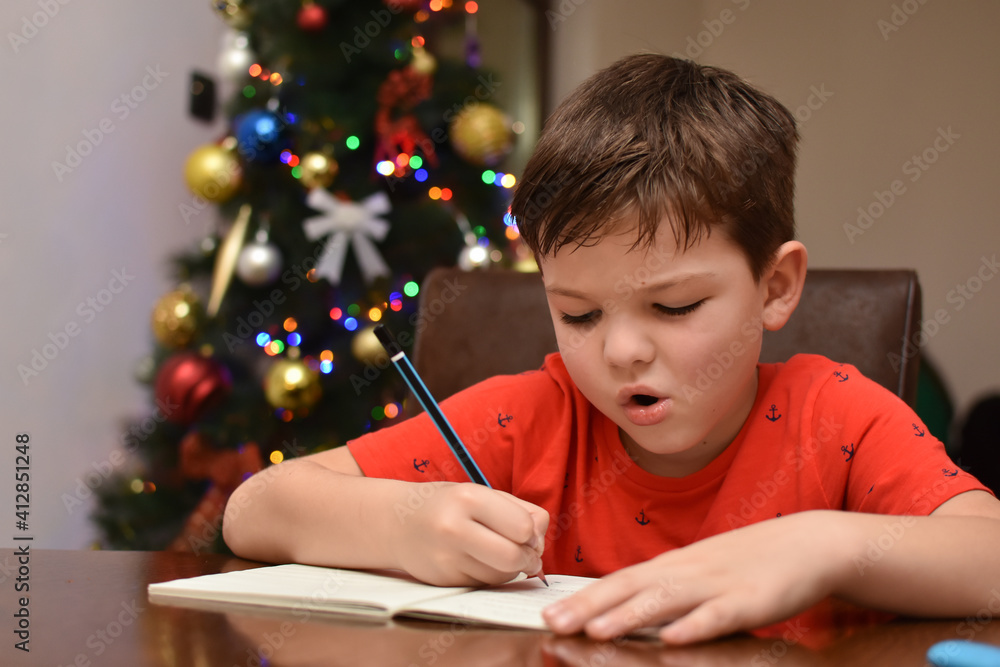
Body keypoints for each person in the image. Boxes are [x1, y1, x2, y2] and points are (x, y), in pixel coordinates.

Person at [223, 54, 1000, 644]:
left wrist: (826, 546)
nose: (622, 351)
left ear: (774, 285)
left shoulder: (837, 418)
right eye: (580, 313)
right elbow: (252, 510)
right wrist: (408, 523)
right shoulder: (529, 416)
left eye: (674, 305)